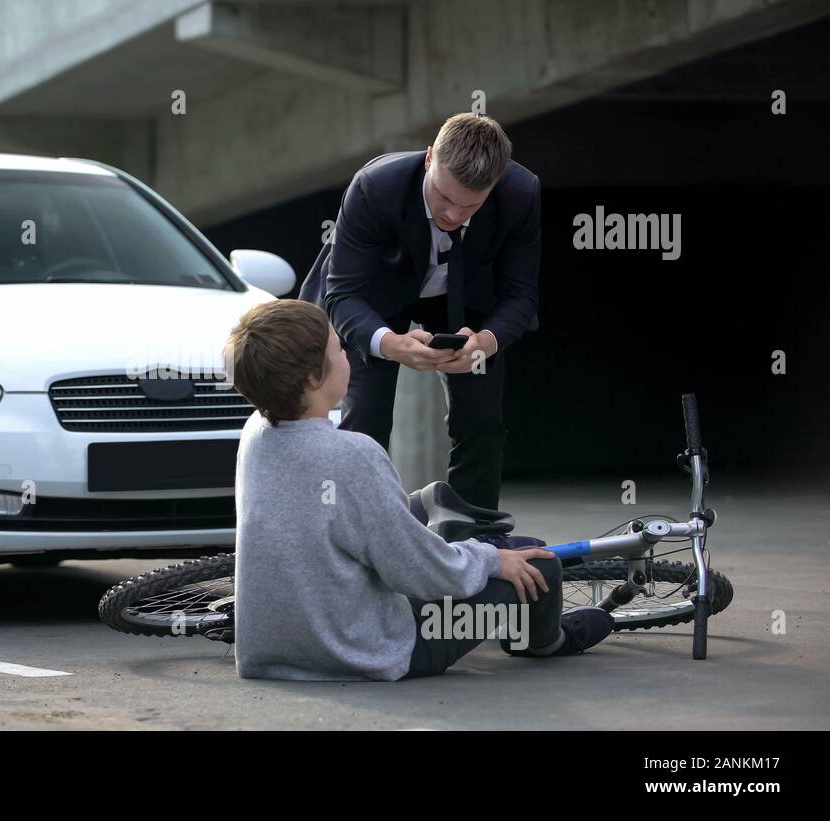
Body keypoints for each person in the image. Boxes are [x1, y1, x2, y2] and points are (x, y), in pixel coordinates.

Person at [223, 299, 612, 682]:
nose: (347, 356)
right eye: (339, 348)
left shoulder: (255, 433)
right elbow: (417, 574)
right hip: (364, 652)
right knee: (538, 560)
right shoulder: (353, 454)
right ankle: (544, 641)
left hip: (268, 652)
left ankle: (488, 572)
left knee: (441, 512)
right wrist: (491, 561)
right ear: (312, 378)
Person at [298, 113, 539, 511]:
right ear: (429, 159)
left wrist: (485, 342)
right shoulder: (375, 186)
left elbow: (521, 294)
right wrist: (390, 344)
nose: (453, 216)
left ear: (495, 187)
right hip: (374, 295)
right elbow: (343, 293)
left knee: (482, 421)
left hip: (467, 297)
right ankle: (357, 532)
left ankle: (473, 536)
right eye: (444, 198)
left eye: (471, 206)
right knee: (366, 418)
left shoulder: (521, 192)